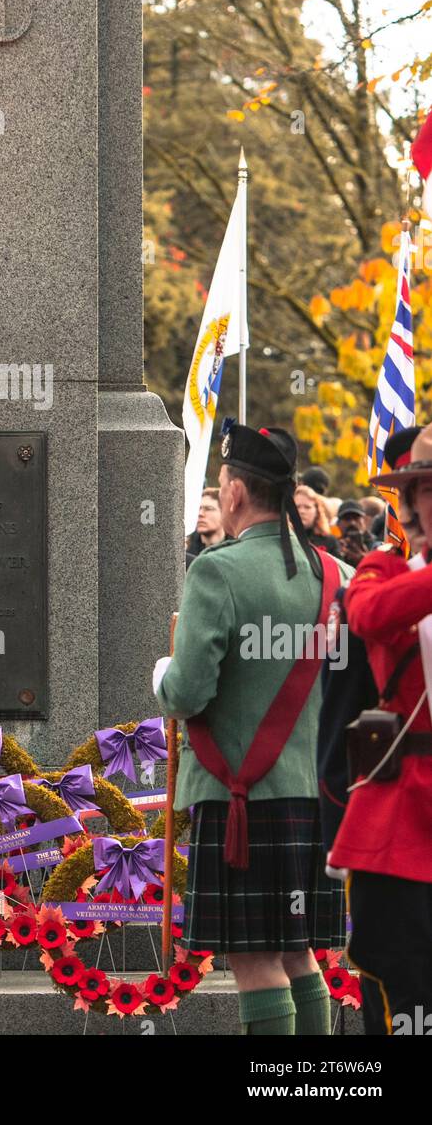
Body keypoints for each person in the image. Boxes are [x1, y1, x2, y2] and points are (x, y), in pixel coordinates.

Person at [155, 423, 351, 1037]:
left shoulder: (218, 572)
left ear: (236, 492)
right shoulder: (339, 575)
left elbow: (187, 693)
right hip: (318, 795)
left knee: (255, 960)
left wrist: (162, 677)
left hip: (245, 798)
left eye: (221, 483)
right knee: (298, 955)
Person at [316, 425, 422, 1037]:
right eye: (414, 491)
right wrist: (339, 820)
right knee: (399, 989)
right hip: (400, 814)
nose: (417, 507)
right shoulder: (378, 576)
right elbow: (342, 714)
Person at [293, 484, 339, 555]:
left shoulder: (329, 541)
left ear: (317, 511)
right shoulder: (283, 539)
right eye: (297, 507)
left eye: (307, 507)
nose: (302, 511)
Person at [185, 487, 225, 566]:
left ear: (224, 513)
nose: (200, 513)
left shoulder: (236, 550)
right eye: (199, 509)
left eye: (209, 509)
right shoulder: (184, 547)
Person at [334, 500, 374, 567]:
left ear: (364, 521)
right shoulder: (333, 544)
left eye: (356, 518)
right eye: (347, 519)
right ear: (338, 523)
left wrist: (366, 559)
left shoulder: (376, 545)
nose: (352, 523)